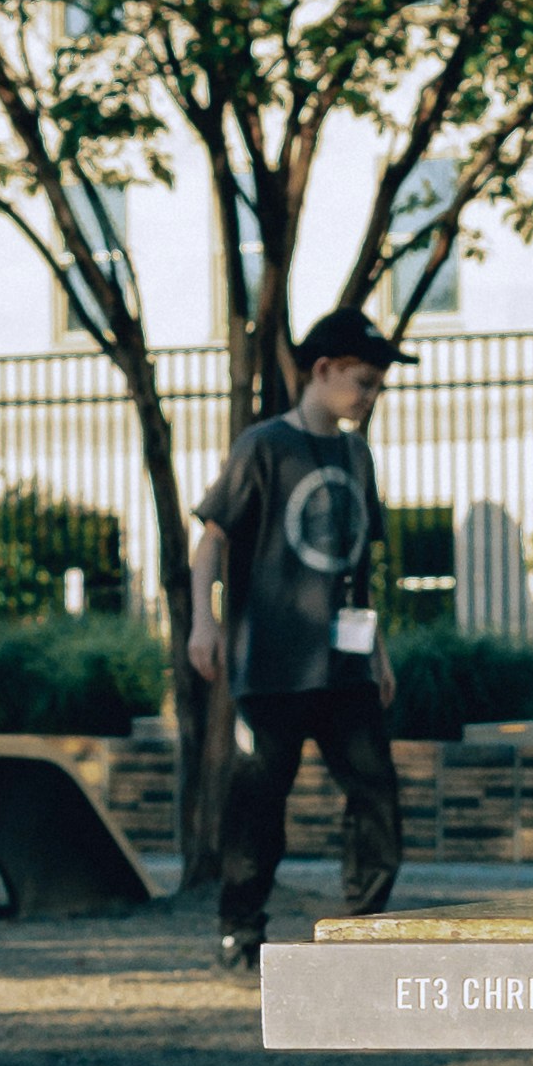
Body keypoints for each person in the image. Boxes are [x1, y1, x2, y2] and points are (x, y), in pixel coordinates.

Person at [187, 305, 410, 963]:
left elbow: (356, 570)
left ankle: (361, 927)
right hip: (272, 667)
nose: (371, 396)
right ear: (323, 371)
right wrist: (206, 623)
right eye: (363, 382)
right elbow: (210, 546)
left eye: (376, 385)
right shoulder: (264, 447)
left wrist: (380, 652)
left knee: (375, 794)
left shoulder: (356, 455)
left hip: (346, 670)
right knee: (259, 803)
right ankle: (241, 929)